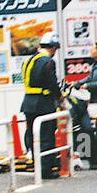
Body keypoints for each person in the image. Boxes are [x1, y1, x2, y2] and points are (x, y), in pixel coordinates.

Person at [20, 33, 63, 179]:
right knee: (46, 136)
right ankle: (46, 169)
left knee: (32, 135)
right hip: (43, 103)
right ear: (52, 48)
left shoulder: (29, 60)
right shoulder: (48, 62)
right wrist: (60, 97)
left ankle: (36, 164)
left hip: (28, 103)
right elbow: (52, 83)